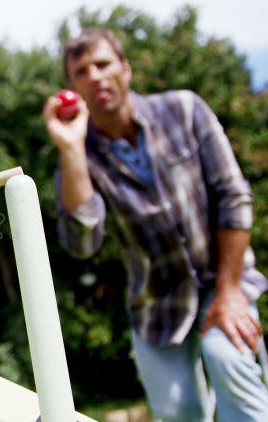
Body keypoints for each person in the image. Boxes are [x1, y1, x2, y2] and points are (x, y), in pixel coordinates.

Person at [43, 28, 268, 421]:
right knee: (177, 410)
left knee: (227, 358)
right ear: (73, 88)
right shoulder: (78, 155)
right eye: (81, 71)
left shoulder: (184, 109)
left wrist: (231, 292)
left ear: (125, 70)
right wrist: (71, 148)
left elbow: (233, 197)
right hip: (156, 306)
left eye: (102, 64)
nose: (94, 76)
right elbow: (82, 243)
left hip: (225, 281)